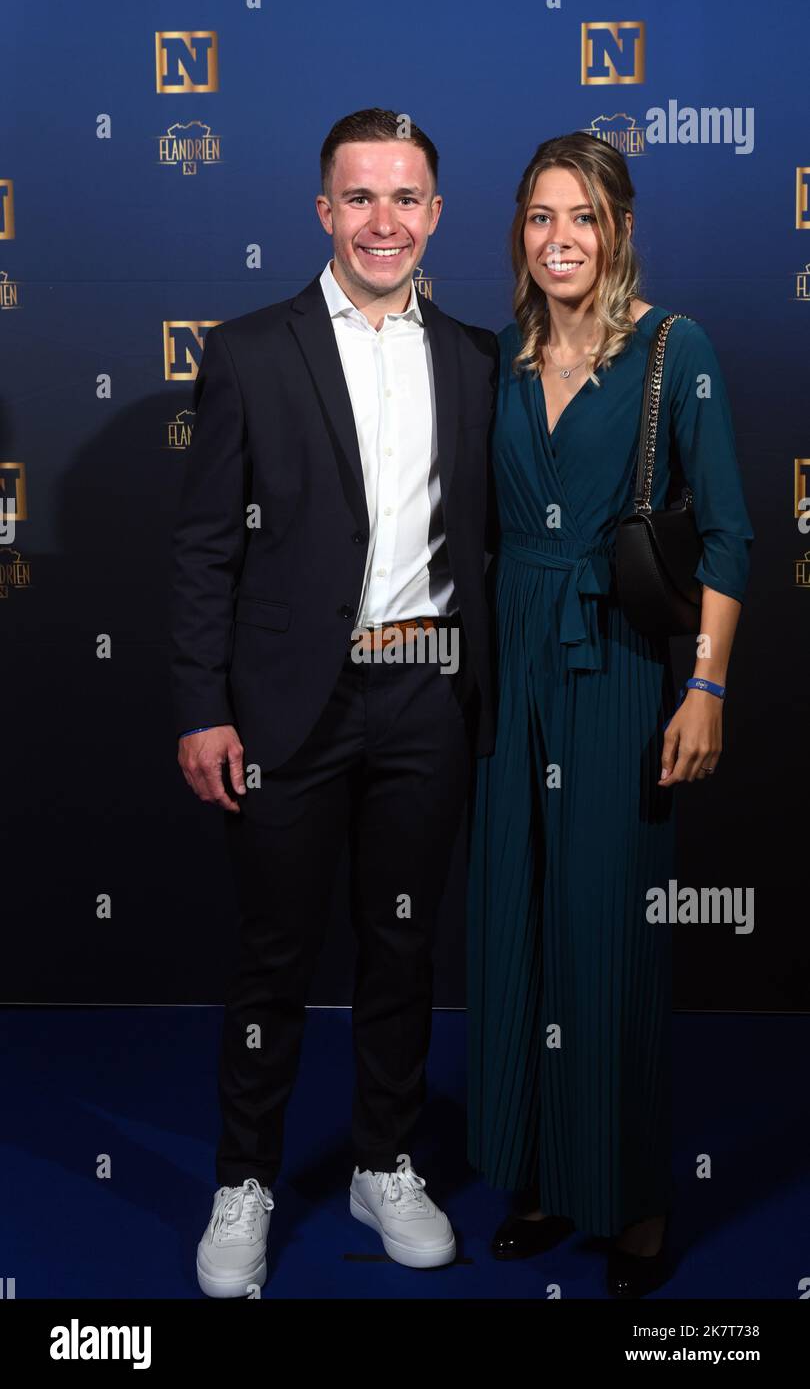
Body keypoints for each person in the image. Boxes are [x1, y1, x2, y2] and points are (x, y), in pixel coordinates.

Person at [169, 107, 498, 1296]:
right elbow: (208, 547)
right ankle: (245, 1180)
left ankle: (384, 1159)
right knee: (274, 954)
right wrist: (202, 707)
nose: (383, 221)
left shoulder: (475, 358)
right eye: (360, 197)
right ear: (323, 211)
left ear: (436, 216)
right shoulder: (253, 349)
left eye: (406, 198)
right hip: (289, 707)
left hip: (425, 699)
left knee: (403, 944)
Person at [465, 132, 754, 1297]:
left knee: (607, 935)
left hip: (624, 663)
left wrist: (707, 683)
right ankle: (533, 1175)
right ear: (519, 235)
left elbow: (733, 532)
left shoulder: (674, 351)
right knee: (515, 920)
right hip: (509, 658)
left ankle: (630, 1197)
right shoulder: (496, 356)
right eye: (540, 219)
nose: (560, 240)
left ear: (619, 228)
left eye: (581, 216)